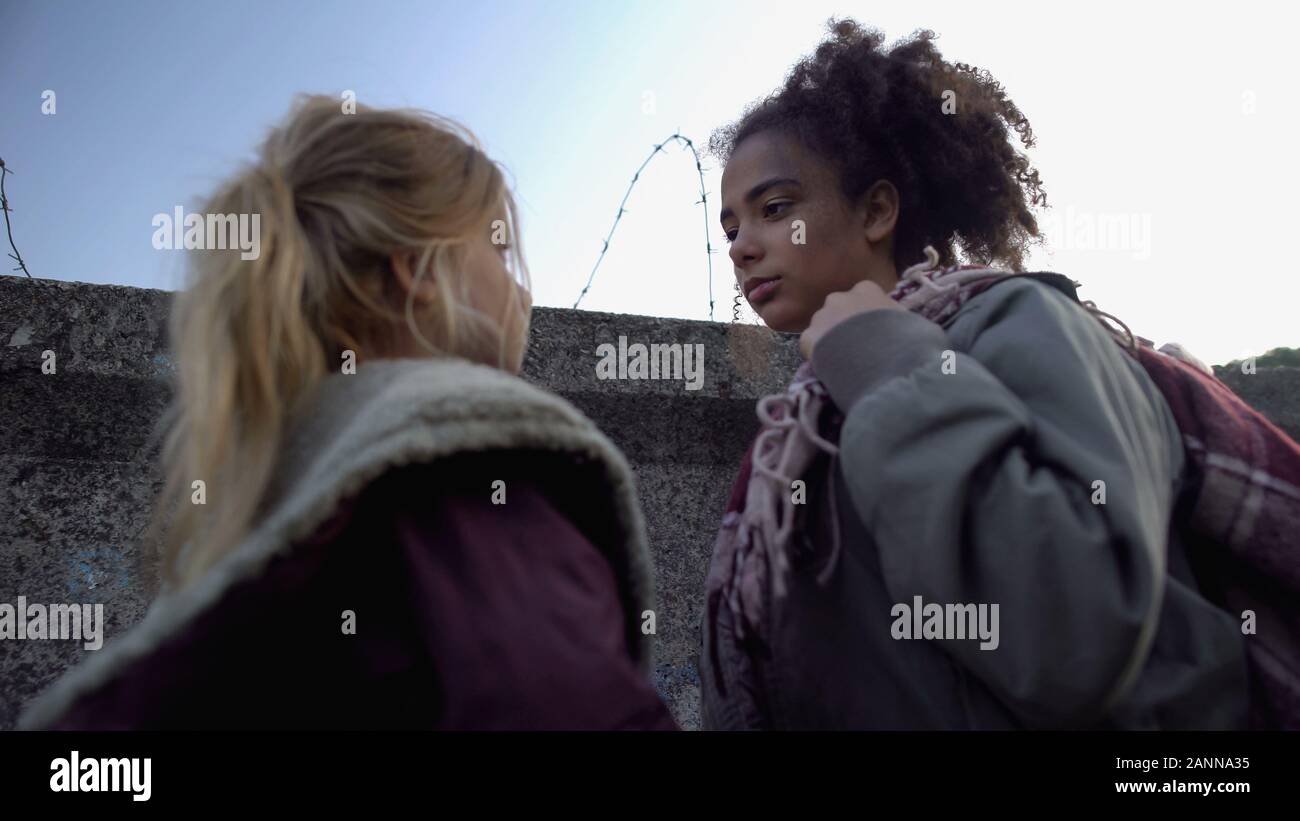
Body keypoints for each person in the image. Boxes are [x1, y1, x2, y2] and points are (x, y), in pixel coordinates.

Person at [20, 95, 676, 731]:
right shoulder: (468, 473)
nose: (521, 286)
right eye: (499, 251)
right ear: (419, 268)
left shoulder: (266, 502)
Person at [699, 20, 1247, 730]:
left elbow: (1081, 631)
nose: (742, 247)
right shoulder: (798, 427)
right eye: (730, 227)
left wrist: (882, 361)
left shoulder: (1016, 321)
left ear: (876, 210)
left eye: (775, 209)